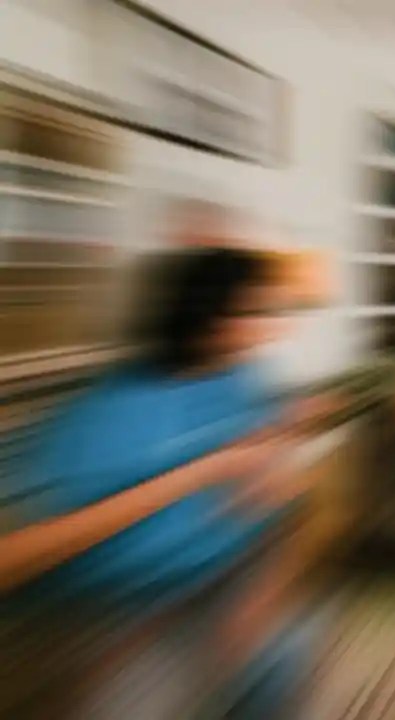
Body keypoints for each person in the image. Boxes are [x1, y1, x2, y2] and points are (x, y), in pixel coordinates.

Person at [0, 248, 320, 719]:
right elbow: (14, 557)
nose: (274, 324)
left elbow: (282, 503)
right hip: (109, 616)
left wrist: (264, 587)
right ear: (211, 317)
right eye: (258, 309)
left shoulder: (240, 379)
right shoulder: (108, 414)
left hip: (218, 591)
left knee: (287, 650)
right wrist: (201, 472)